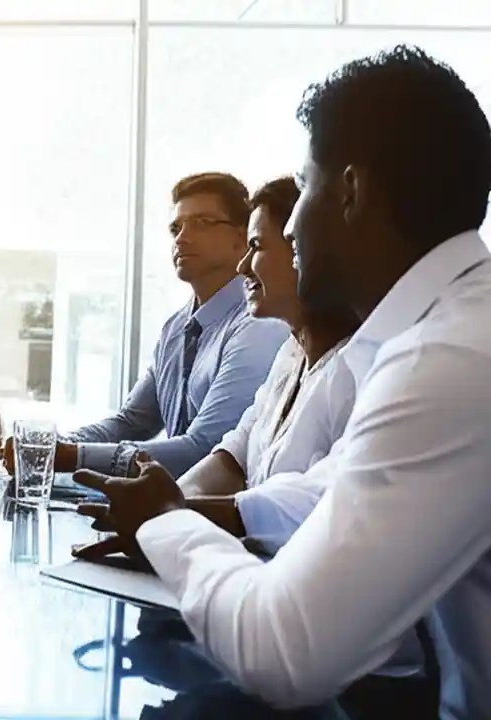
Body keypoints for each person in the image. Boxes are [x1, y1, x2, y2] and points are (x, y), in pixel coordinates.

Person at [72, 46, 491, 718]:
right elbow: (325, 491)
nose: (293, 225)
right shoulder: (442, 336)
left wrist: (165, 523)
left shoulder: (447, 360)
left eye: (306, 184)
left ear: (350, 191)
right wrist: (181, 511)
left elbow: (284, 654)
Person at [83, 177, 360, 557]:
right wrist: (160, 516)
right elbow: (230, 456)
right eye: (176, 228)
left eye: (256, 246)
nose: (244, 266)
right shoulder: (290, 355)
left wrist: (169, 516)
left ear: (306, 251)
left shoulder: (354, 369)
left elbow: (317, 511)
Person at [40, 174, 289, 481]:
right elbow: (130, 422)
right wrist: (52, 445)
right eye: (176, 228)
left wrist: (70, 455)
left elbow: (204, 449)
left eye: (201, 223)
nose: (181, 238)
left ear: (242, 237)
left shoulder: (259, 325)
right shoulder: (176, 328)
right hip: (166, 502)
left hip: (213, 506)